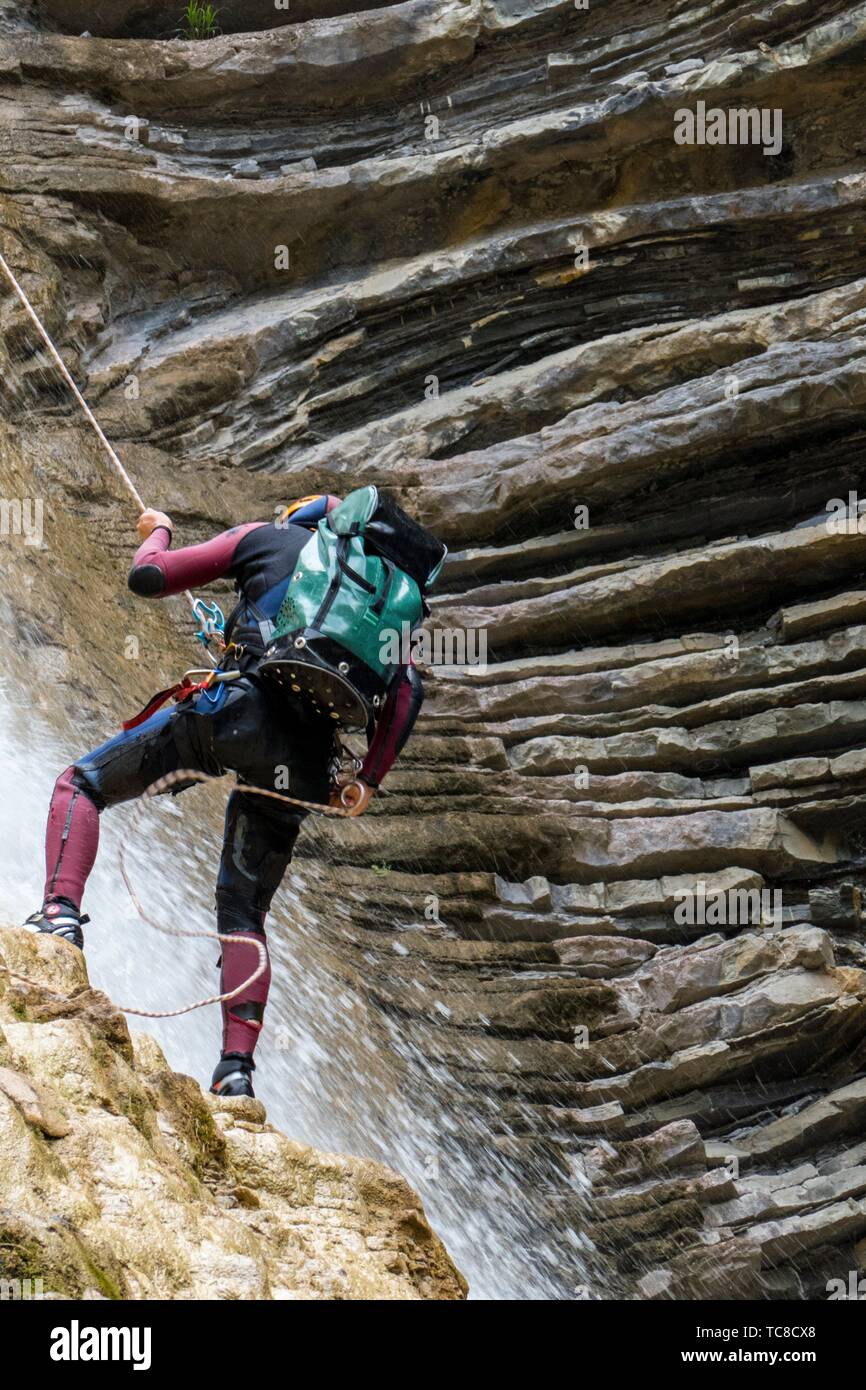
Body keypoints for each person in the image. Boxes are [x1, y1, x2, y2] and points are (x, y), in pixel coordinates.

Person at [21, 495, 424, 1098]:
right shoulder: (391, 617)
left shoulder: (271, 538)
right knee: (243, 911)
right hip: (304, 766)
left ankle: (58, 921)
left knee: (80, 785)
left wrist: (157, 531)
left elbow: (149, 577)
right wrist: (367, 779)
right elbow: (406, 696)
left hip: (231, 714)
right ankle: (235, 1072)